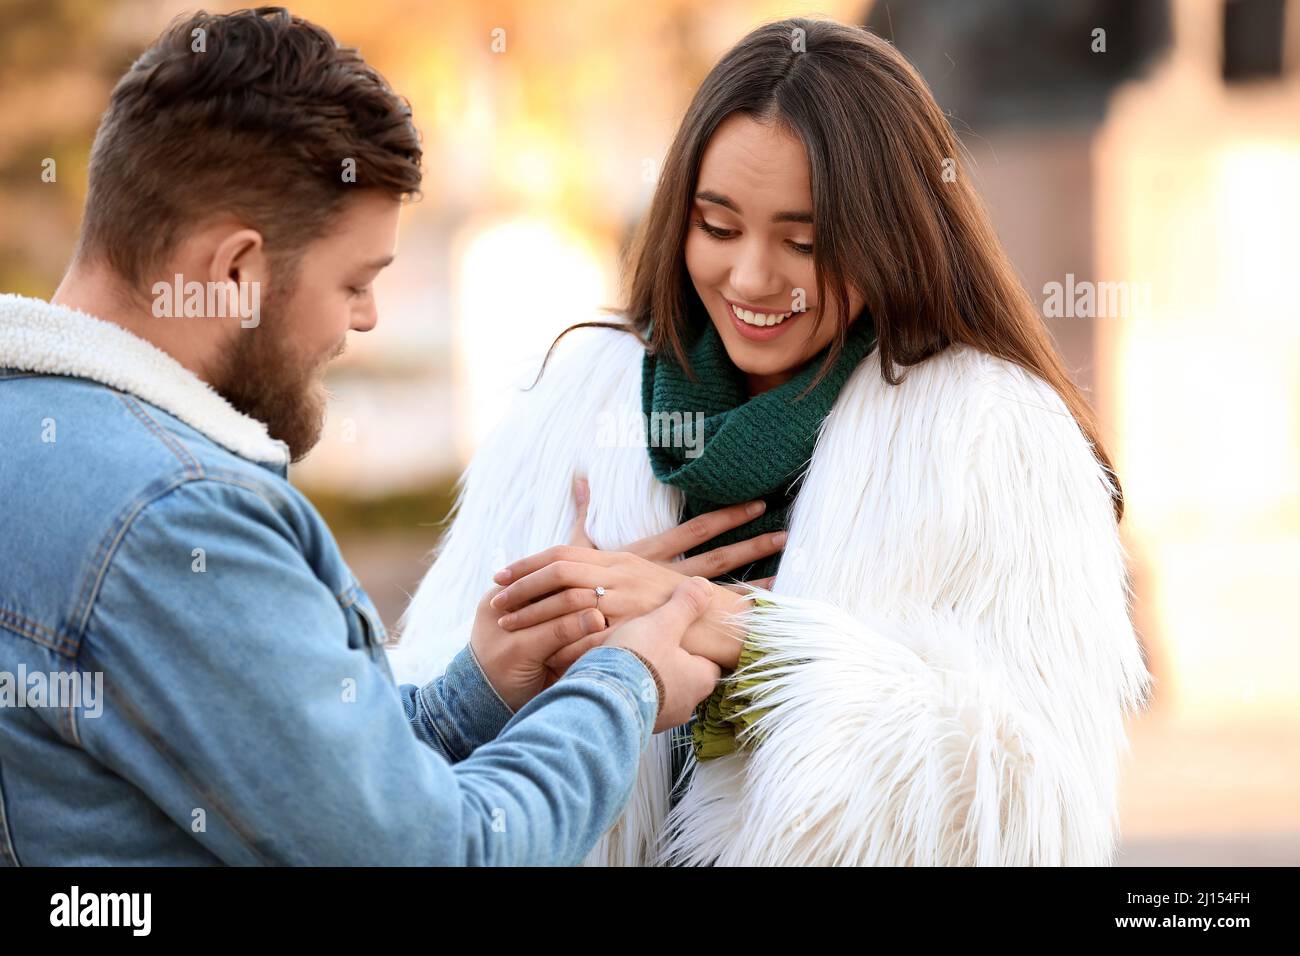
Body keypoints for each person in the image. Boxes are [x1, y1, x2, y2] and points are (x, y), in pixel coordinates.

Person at [394, 17, 1157, 865]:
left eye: (805, 242)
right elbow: (403, 770)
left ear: (890, 234)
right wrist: (537, 656)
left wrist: (745, 638)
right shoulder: (573, 408)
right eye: (718, 228)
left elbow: (1033, 801)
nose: (752, 279)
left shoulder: (993, 439)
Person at [0, 6, 729, 866]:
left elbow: (298, 797)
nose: (370, 318)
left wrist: (479, 690)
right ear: (235, 273)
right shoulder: (175, 519)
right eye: (356, 281)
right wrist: (628, 684)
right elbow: (436, 856)